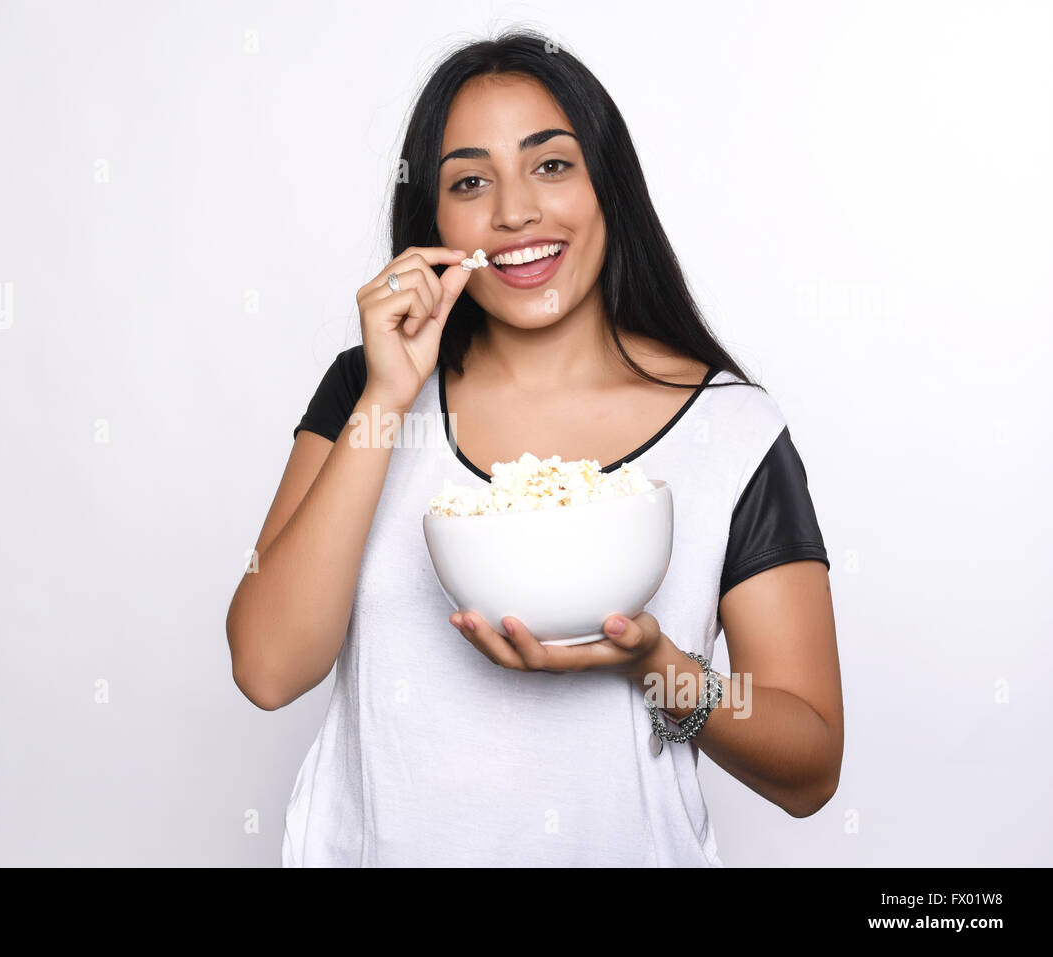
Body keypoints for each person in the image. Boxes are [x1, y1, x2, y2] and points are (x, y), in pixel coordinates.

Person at [226, 29, 843, 867]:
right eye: (471, 181)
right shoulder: (371, 389)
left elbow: (810, 768)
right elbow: (268, 668)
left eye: (551, 165)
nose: (514, 212)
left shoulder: (732, 430)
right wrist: (386, 395)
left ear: (606, 185)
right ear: (434, 221)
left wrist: (655, 666)